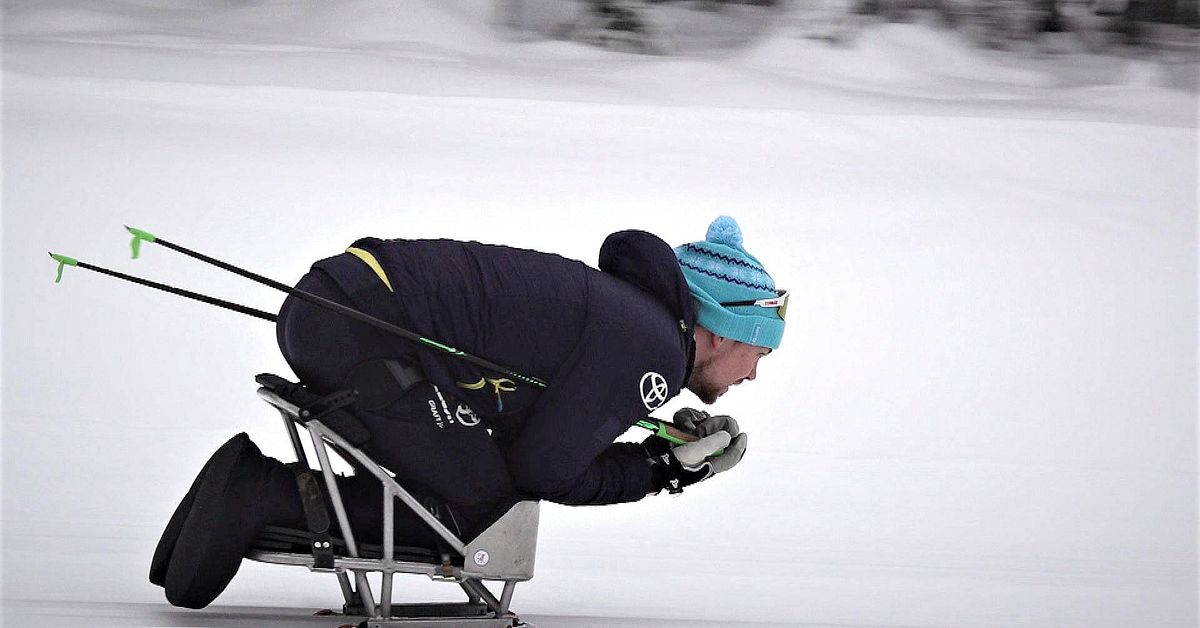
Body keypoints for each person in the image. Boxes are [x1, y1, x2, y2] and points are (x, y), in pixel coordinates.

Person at [150, 215, 787, 609]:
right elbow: (545, 469)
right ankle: (258, 493)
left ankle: (251, 494)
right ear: (720, 331)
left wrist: (652, 453)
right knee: (476, 514)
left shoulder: (635, 322)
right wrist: (657, 470)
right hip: (366, 330)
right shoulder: (648, 349)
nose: (752, 374)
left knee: (469, 480)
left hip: (340, 305)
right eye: (757, 353)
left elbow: (527, 428)